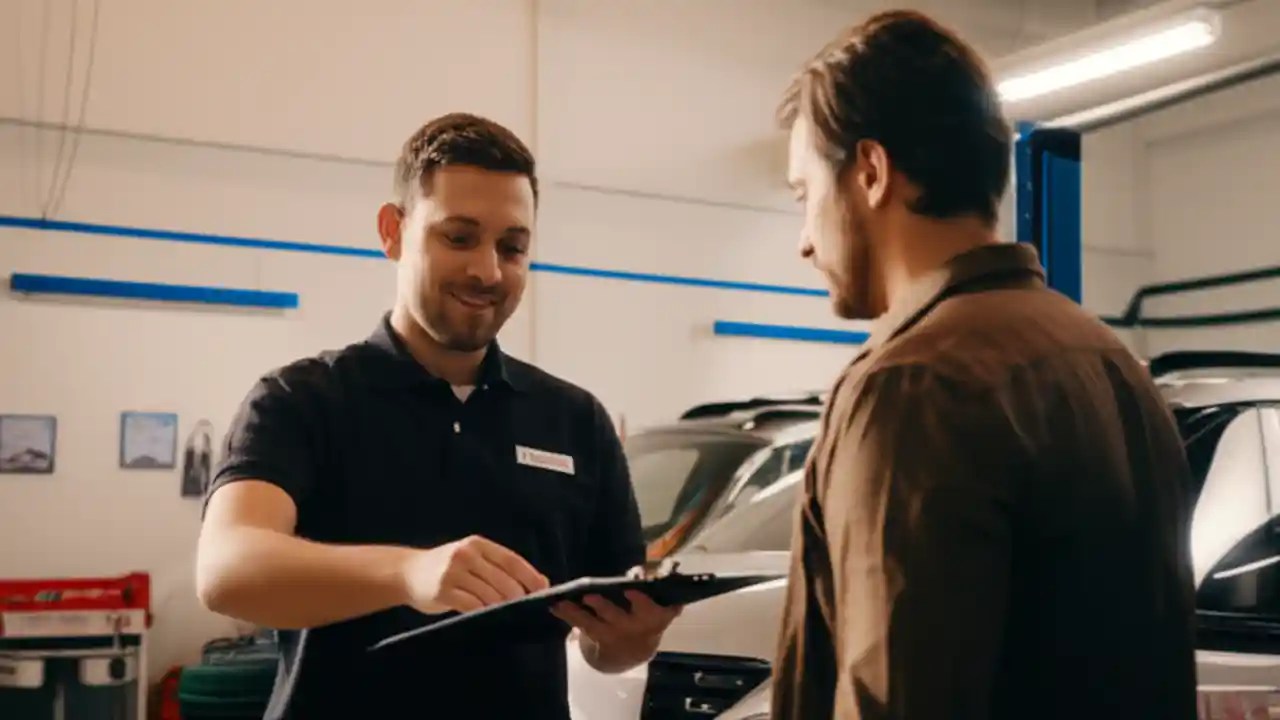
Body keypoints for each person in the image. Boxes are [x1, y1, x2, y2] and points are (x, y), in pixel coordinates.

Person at [771, 11, 1198, 720]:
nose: (804, 244)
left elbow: (897, 701)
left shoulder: (913, 386)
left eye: (803, 195)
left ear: (870, 173)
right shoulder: (1111, 362)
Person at [195, 113, 680, 720]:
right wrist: (408, 573)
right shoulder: (303, 400)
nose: (487, 271)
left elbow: (605, 645)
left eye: (512, 246)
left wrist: (632, 639)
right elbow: (227, 570)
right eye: (459, 237)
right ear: (393, 232)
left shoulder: (575, 420)